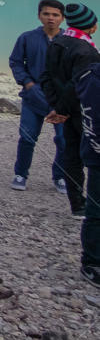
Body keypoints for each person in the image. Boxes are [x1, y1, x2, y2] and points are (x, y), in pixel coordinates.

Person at [39, 2, 100, 219]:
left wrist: (56, 106)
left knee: (71, 155)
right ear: (90, 26)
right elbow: (80, 84)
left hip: (65, 110)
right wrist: (63, 109)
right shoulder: (87, 51)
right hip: (84, 110)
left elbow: (46, 76)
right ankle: (91, 203)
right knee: (92, 156)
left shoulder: (58, 42)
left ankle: (77, 204)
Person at [9, 0, 68, 191]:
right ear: (39, 15)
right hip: (32, 97)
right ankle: (20, 174)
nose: (51, 18)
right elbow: (16, 62)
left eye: (55, 15)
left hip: (60, 101)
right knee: (27, 137)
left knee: (63, 140)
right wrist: (28, 83)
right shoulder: (27, 38)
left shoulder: (70, 41)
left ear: (62, 18)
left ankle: (60, 176)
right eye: (47, 14)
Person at [70, 57, 100, 286]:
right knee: (96, 210)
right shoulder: (93, 80)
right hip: (97, 156)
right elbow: (92, 122)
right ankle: (92, 262)